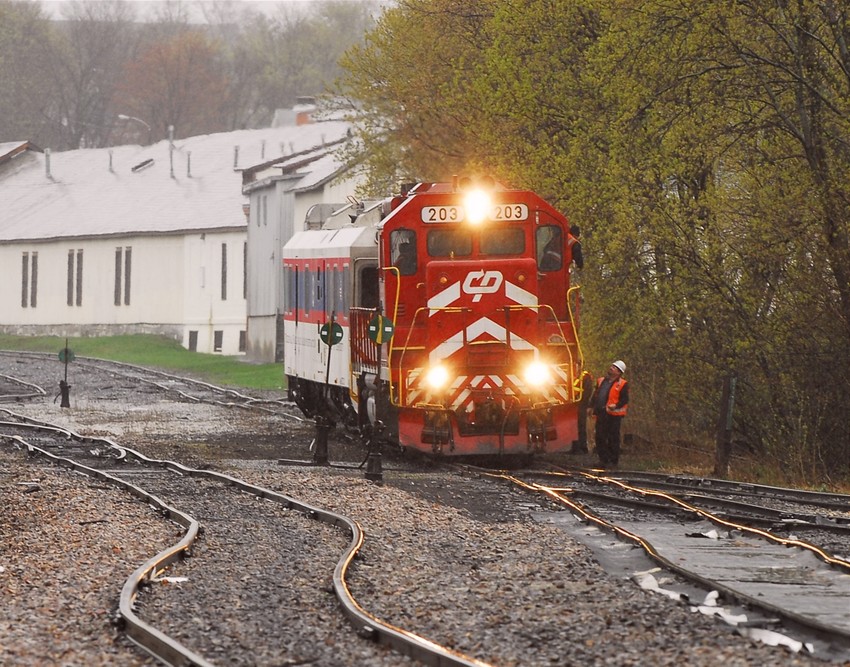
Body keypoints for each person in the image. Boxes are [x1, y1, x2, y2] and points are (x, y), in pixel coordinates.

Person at [589, 360, 629, 468]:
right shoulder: (601, 381)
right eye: (612, 366)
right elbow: (596, 395)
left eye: (615, 368)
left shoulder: (622, 384)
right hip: (601, 413)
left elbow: (625, 399)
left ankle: (613, 461)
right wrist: (591, 406)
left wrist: (615, 406)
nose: (612, 368)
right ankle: (603, 460)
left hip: (614, 416)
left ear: (619, 373)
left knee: (613, 438)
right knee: (599, 437)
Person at [569, 369, 594, 454]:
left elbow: (587, 391)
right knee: (573, 426)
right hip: (571, 405)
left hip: (580, 404)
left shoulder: (585, 377)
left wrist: (583, 403)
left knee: (581, 425)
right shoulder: (569, 374)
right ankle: (573, 446)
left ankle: (582, 447)